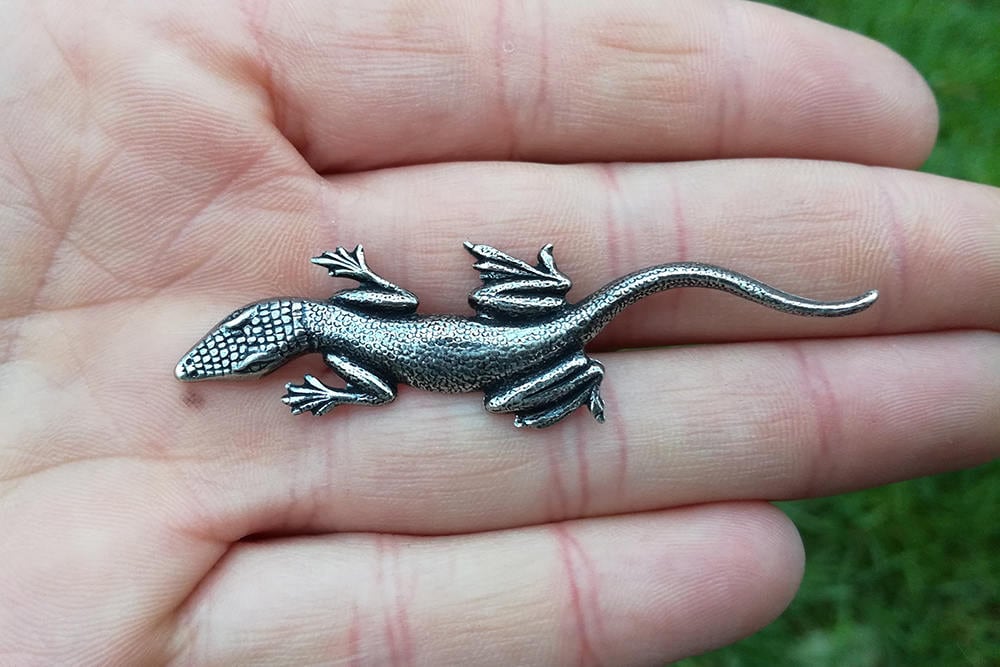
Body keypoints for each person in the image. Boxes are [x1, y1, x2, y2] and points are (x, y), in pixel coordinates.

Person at [0, 1, 996, 663]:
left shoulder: (344, 338)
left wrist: (334, 372)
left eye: (249, 341)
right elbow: (383, 336)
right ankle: (563, 330)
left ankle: (579, 362)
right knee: (514, 332)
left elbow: (380, 378)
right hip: (516, 340)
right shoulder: (353, 323)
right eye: (249, 343)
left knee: (527, 370)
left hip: (537, 348)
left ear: (284, 336)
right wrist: (349, 307)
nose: (245, 346)